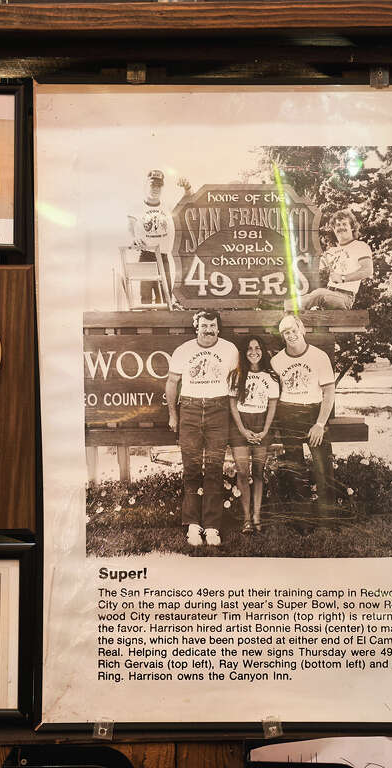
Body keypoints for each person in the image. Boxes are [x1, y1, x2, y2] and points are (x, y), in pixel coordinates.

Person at [165, 310, 239, 547]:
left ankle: (212, 526)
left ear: (218, 328)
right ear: (197, 327)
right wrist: (173, 415)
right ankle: (193, 525)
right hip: (190, 409)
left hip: (219, 409)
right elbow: (172, 383)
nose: (208, 330)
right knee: (192, 468)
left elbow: (235, 384)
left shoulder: (230, 350)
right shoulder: (183, 350)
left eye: (212, 326)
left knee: (215, 469)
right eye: (204, 325)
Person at [271, 313, 336, 532]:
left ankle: (328, 520)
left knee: (322, 466)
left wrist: (319, 424)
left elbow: (329, 392)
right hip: (288, 414)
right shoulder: (277, 361)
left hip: (313, 413)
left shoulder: (319, 357)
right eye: (285, 332)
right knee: (295, 468)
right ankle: (303, 521)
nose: (290, 335)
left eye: (293, 330)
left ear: (302, 330)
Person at [228, 335, 279, 535]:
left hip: (261, 424)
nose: (253, 352)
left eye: (257, 348)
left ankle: (257, 517)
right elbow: (233, 404)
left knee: (258, 472)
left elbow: (272, 405)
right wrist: (242, 430)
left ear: (263, 351)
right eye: (249, 348)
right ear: (244, 352)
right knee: (242, 472)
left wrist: (265, 430)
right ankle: (246, 519)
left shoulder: (270, 376)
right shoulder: (236, 375)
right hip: (240, 425)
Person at [128, 169, 191, 308]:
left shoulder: (167, 205)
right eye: (152, 185)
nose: (155, 188)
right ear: (146, 185)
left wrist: (187, 187)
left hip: (163, 256)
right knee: (145, 297)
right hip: (146, 255)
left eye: (159, 185)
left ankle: (165, 317)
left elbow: (188, 199)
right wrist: (135, 238)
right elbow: (131, 226)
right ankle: (146, 321)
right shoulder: (137, 206)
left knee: (165, 296)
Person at [300, 209, 373, 310]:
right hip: (328, 293)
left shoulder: (360, 246)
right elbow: (316, 268)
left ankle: (293, 309)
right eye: (338, 225)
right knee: (308, 297)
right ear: (334, 229)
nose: (341, 227)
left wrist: (343, 278)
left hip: (344, 297)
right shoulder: (332, 251)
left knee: (319, 294)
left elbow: (368, 270)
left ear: (352, 227)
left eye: (344, 224)